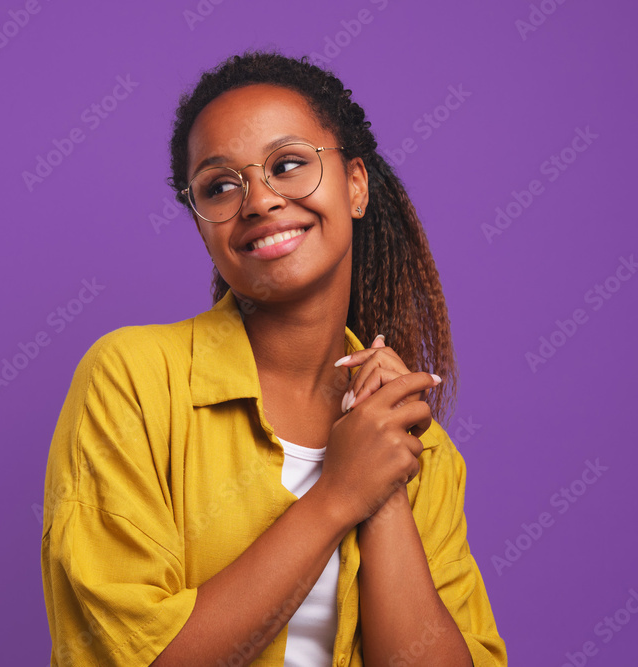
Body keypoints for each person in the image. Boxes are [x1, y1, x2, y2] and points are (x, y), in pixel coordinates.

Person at [41, 50, 506, 666]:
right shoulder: (132, 380)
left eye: (287, 165)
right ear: (203, 226)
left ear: (356, 186)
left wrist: (384, 490)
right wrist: (340, 494)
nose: (258, 200)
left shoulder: (415, 442)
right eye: (220, 186)